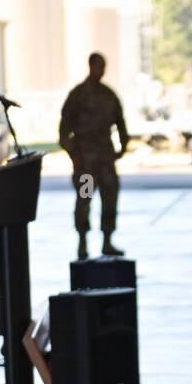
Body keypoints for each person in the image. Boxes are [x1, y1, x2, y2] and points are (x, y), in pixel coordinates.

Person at [59, 53, 129, 260]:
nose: (101, 71)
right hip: (86, 164)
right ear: (90, 66)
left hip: (106, 162)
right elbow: (64, 131)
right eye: (99, 67)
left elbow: (120, 122)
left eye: (104, 67)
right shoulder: (78, 95)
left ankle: (107, 241)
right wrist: (75, 155)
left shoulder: (109, 95)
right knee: (85, 199)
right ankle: (82, 242)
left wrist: (123, 146)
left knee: (110, 199)